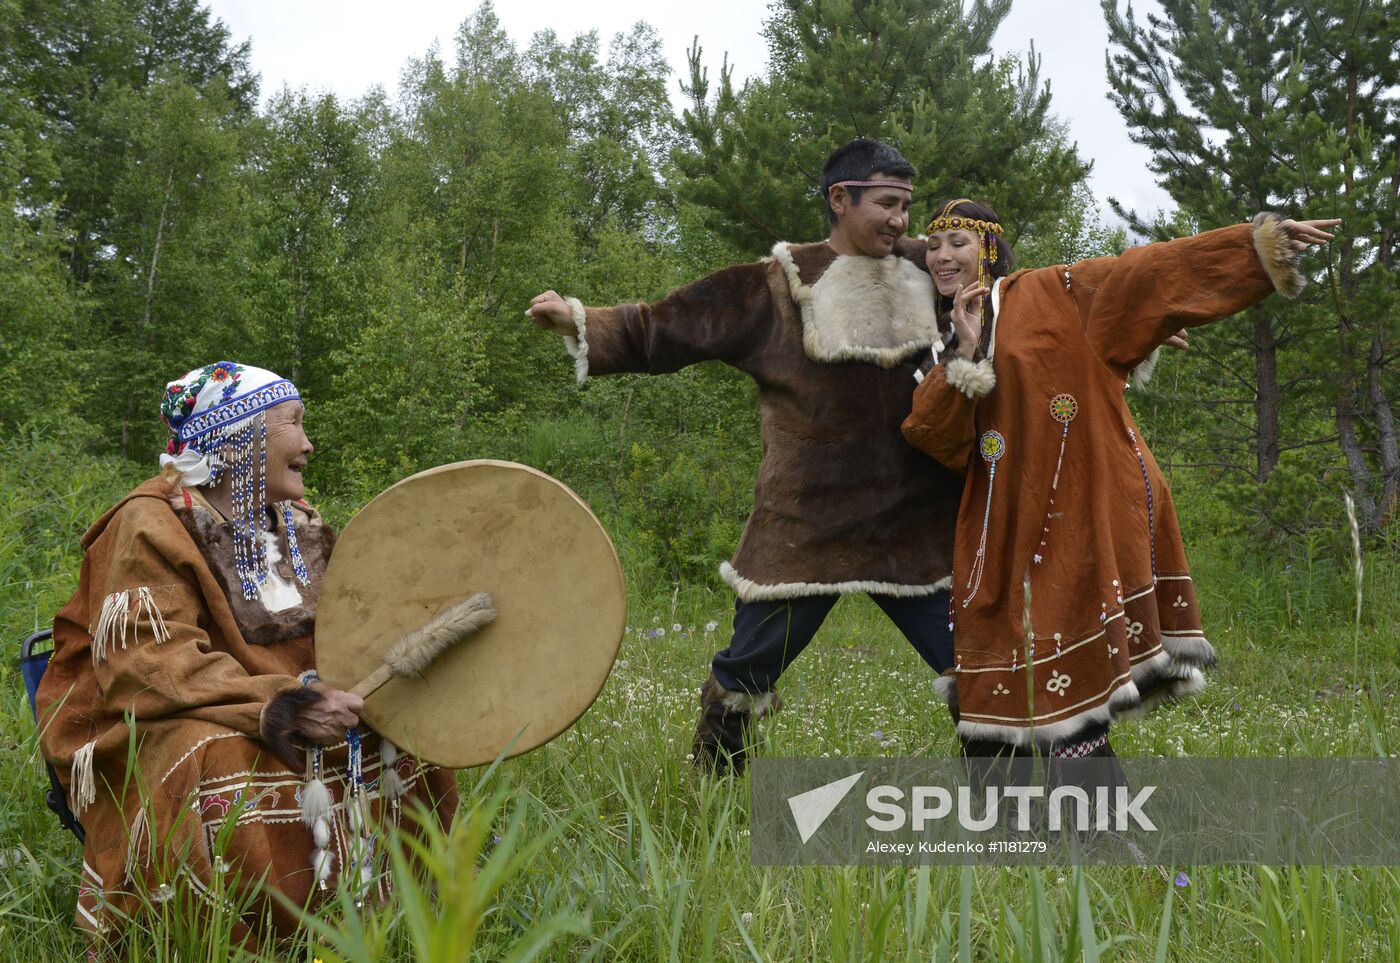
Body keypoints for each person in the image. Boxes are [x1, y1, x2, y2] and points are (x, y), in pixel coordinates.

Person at [525, 139, 967, 773]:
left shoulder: (936, 272)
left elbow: (1027, 301)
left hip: (918, 523)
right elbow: (668, 325)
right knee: (746, 672)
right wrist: (581, 321)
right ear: (841, 200)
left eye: (907, 206)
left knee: (979, 669)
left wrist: (1124, 328)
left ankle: (1012, 796)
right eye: (888, 204)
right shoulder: (774, 285)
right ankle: (713, 790)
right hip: (806, 524)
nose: (902, 221)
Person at [35, 361, 457, 944]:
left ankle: (384, 923)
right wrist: (284, 702)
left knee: (410, 733)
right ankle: (211, 939)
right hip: (160, 714)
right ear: (237, 441)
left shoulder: (294, 522)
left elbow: (351, 629)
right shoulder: (150, 524)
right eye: (294, 425)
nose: (309, 445)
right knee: (216, 756)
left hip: (281, 694)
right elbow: (149, 665)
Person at [901, 199, 1337, 760]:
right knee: (993, 656)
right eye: (933, 245)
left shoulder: (1049, 292)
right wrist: (963, 351)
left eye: (957, 242)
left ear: (988, 249)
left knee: (1066, 637)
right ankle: (1000, 829)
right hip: (996, 518)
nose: (941, 255)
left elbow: (1142, 275)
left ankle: (1095, 827)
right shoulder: (941, 338)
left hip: (1077, 496)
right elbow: (933, 436)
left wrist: (1251, 246)